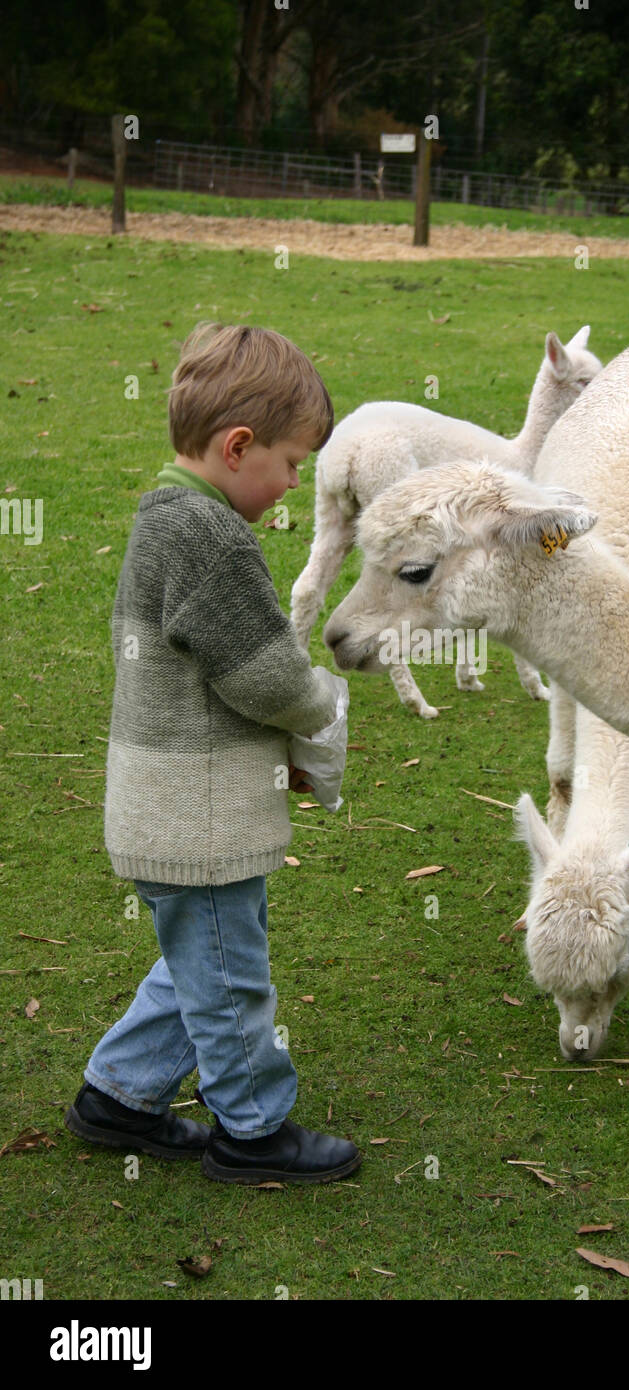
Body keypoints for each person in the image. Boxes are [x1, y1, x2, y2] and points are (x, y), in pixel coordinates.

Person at [65, 323, 360, 1185]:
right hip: (196, 812)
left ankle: (118, 1097)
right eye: (294, 462)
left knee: (203, 959)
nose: (297, 482)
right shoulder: (212, 539)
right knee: (231, 975)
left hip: (165, 798)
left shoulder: (167, 515)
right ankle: (254, 1128)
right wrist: (320, 704)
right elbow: (262, 674)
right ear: (239, 447)